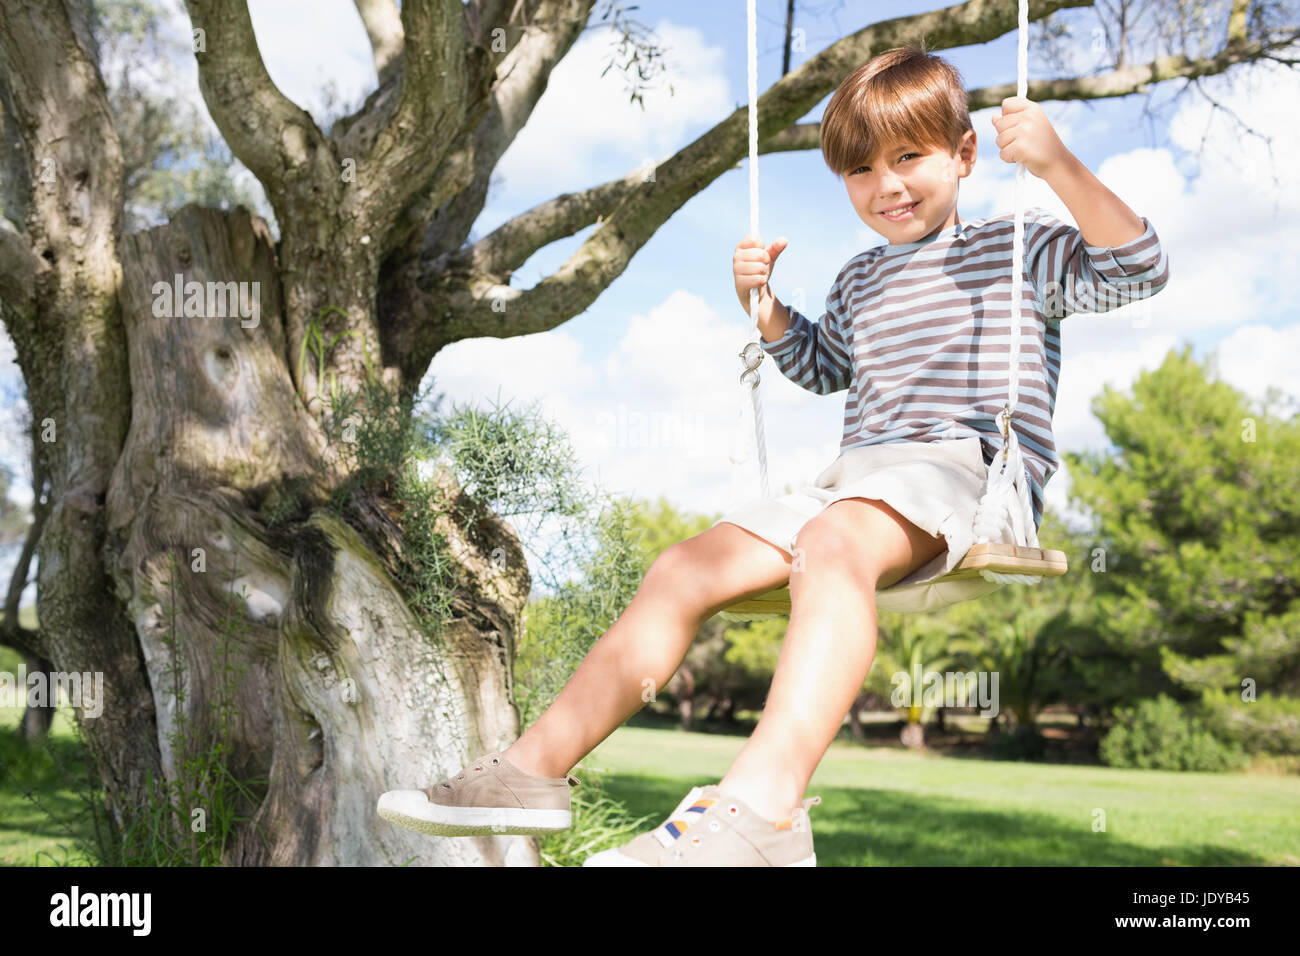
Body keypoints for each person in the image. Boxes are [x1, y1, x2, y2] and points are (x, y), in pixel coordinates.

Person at [377, 44, 1170, 866]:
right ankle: (528, 776)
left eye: (909, 157)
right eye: (861, 169)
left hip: (964, 473)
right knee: (684, 566)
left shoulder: (1017, 248)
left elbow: (1139, 268)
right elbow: (825, 367)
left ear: (965, 154)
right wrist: (766, 311)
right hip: (856, 483)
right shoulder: (861, 278)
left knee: (833, 543)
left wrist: (1057, 163)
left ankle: (761, 814)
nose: (887, 185)